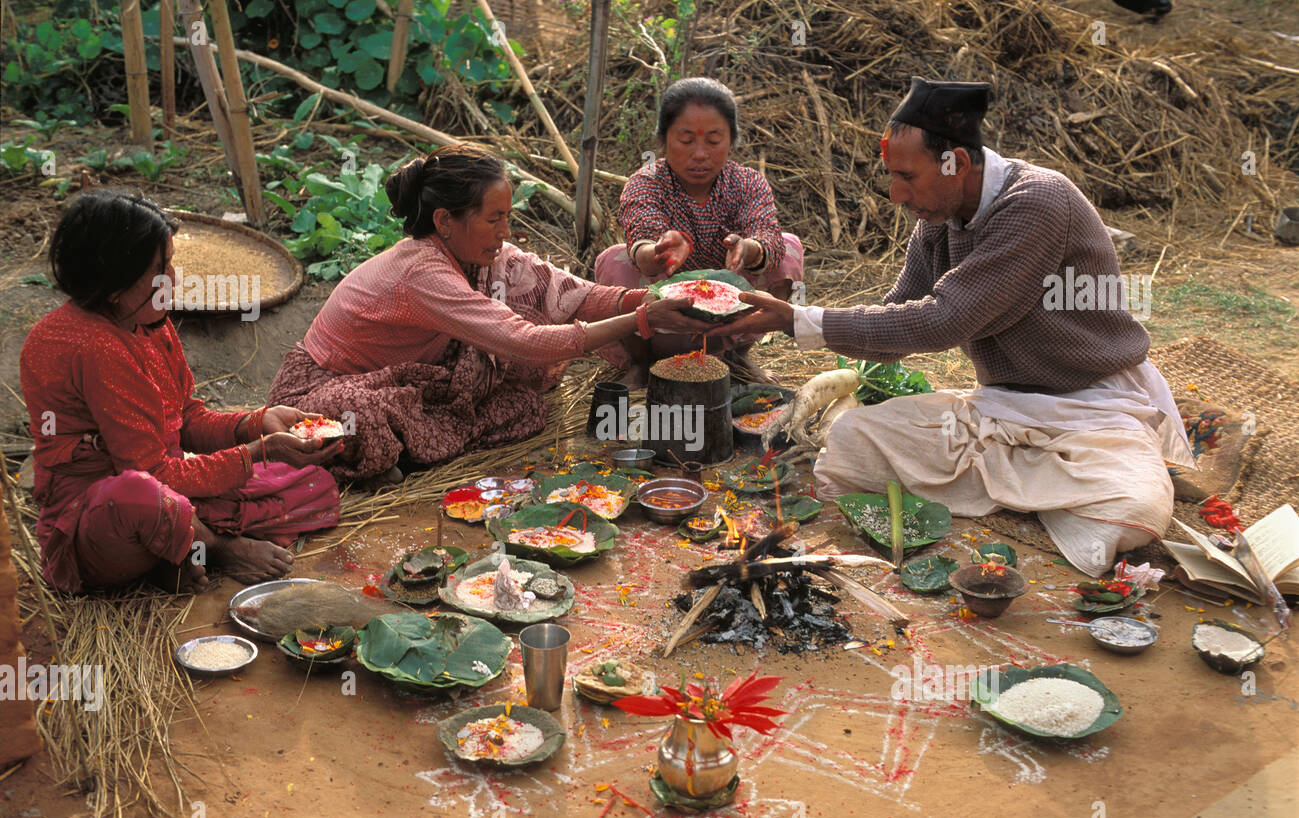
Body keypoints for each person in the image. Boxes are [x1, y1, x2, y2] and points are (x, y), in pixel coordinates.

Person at [712, 76, 1196, 577]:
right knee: (853, 438)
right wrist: (800, 325)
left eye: (907, 176)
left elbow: (942, 321)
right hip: (1000, 407)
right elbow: (900, 314)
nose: (896, 194)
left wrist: (801, 321)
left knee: (1134, 513)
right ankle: (1034, 487)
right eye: (891, 176)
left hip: (1090, 404)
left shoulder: (1038, 203)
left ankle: (1042, 480)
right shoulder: (936, 222)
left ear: (956, 163)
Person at [268, 143, 701, 483]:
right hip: (323, 387)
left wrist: (640, 300)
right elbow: (524, 342)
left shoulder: (479, 255)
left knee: (526, 405)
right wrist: (642, 322)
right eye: (494, 219)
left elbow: (572, 294)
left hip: (405, 376)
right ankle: (393, 451)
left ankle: (411, 444)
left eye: (507, 218)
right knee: (353, 415)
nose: (505, 232)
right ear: (445, 221)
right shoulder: (422, 272)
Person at [20, 191, 342, 594]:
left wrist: (255, 423)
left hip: (166, 489)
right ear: (115, 285)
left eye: (170, 262)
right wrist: (259, 451)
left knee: (312, 480)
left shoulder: (147, 319)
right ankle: (217, 547)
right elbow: (152, 475)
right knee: (141, 497)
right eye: (160, 268)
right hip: (103, 519)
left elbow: (188, 419)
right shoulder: (94, 348)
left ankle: (177, 552)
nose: (173, 277)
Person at [594, 77, 805, 386]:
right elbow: (642, 233)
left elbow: (766, 233)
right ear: (664, 139)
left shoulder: (747, 183)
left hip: (733, 318)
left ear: (731, 139)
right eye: (686, 139)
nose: (700, 154)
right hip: (664, 325)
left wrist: (750, 249)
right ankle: (641, 364)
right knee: (613, 261)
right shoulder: (646, 183)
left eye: (714, 140)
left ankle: (738, 356)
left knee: (788, 247)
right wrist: (657, 252)